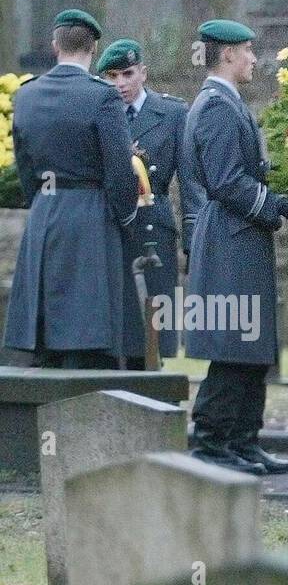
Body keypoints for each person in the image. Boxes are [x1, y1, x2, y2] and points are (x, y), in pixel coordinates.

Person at [185, 19, 288, 475]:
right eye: (249, 51)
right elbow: (226, 181)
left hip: (242, 236)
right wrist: (274, 206)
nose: (255, 59)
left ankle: (243, 440)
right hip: (228, 238)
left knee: (252, 344)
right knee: (233, 342)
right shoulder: (215, 106)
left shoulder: (228, 102)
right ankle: (213, 442)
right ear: (229, 54)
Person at [4, 9, 138, 369]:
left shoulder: (27, 96)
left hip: (44, 211)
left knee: (44, 331)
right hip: (91, 213)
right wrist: (124, 215)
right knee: (89, 330)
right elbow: (120, 171)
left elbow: (25, 169)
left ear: (54, 46)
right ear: (94, 48)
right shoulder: (102, 97)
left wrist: (45, 200)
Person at [97, 38, 204, 367]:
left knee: (151, 335)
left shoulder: (172, 113)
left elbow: (190, 183)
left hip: (152, 229)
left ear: (143, 72)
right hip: (110, 228)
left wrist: (193, 240)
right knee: (111, 333)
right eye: (111, 76)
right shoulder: (99, 111)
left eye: (127, 74)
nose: (120, 84)